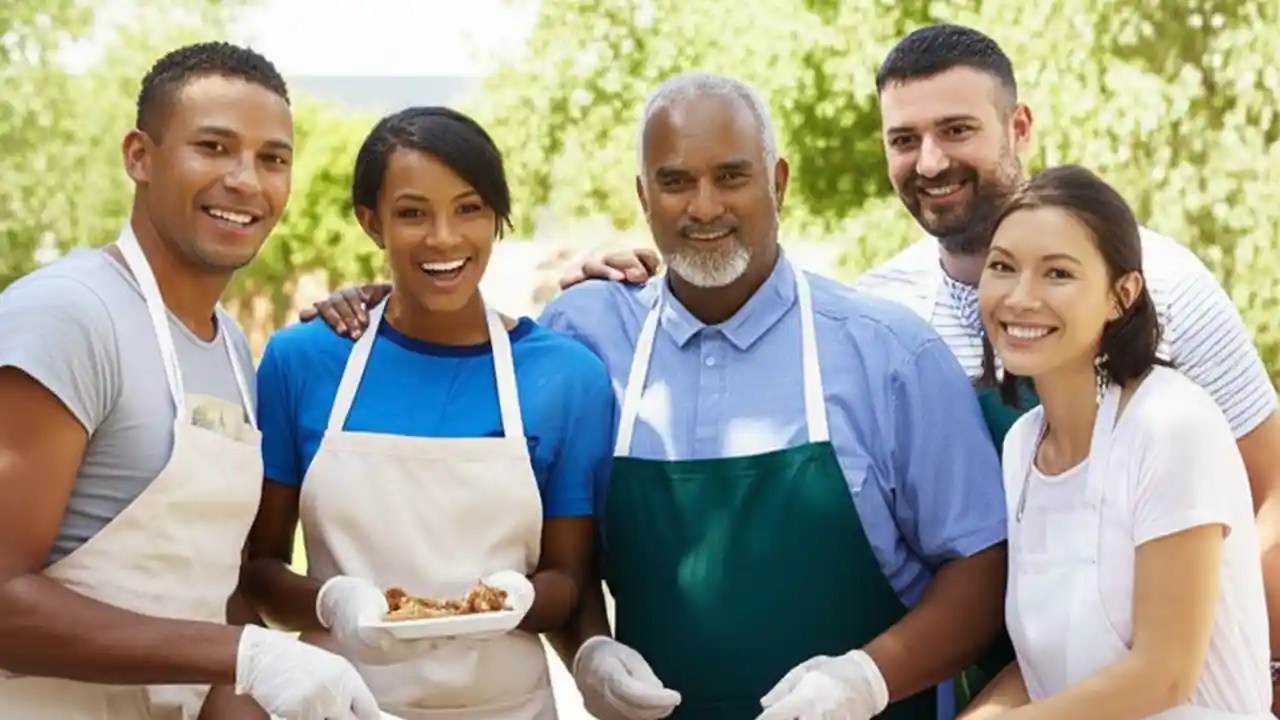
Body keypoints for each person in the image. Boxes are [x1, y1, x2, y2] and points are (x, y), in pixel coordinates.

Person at [554, 23, 1280, 704]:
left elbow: (1257, 513)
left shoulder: (1166, 309)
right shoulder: (907, 318)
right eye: (905, 138)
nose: (931, 160)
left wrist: (1267, 666)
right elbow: (1045, 642)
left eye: (957, 129)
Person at [305, 72, 1009, 720]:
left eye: (731, 177)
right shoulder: (583, 336)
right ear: (644, 197)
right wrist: (589, 652)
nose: (704, 207)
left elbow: (983, 567)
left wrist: (866, 678)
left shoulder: (888, 352)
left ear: (779, 181)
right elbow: (556, 555)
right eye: (675, 182)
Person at [0, 42, 379, 719]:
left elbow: (202, 591)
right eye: (213, 146)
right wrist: (244, 654)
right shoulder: (68, 317)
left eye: (273, 159)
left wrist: (273, 679)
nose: (245, 181)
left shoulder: (230, 344)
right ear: (139, 156)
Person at [240, 106, 613, 719]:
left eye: (470, 208)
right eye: (413, 213)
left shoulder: (565, 376)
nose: (444, 238)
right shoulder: (301, 361)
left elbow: (569, 583)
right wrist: (333, 603)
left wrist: (518, 599)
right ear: (371, 222)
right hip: (347, 707)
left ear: (495, 218)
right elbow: (259, 571)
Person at [959, 164, 1272, 718]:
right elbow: (1050, 674)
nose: (1020, 297)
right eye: (1002, 267)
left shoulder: (1171, 426)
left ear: (1121, 296)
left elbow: (1163, 674)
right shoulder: (1023, 450)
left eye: (1057, 274)